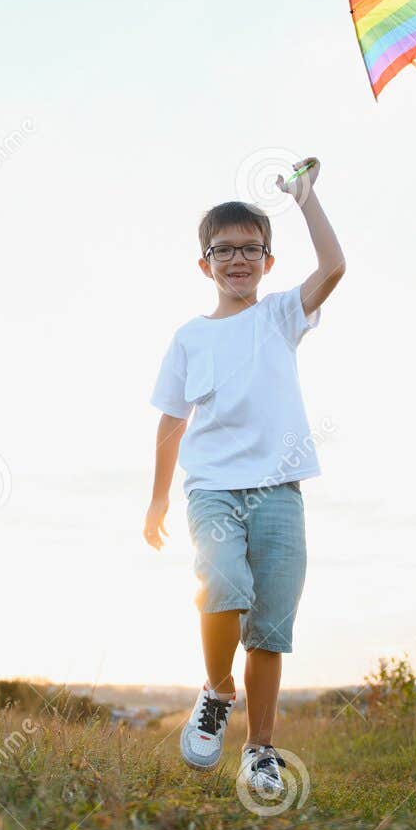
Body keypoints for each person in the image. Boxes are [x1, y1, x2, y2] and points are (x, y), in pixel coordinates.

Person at [143, 159, 345, 797]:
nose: (238, 259)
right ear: (205, 263)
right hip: (212, 490)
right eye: (224, 250)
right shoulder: (188, 339)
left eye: (251, 249)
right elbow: (171, 423)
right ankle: (216, 693)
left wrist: (306, 199)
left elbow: (335, 267)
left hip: (280, 493)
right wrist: (155, 503)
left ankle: (260, 750)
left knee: (269, 629)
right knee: (223, 584)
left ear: (268, 260)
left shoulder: (280, 316)